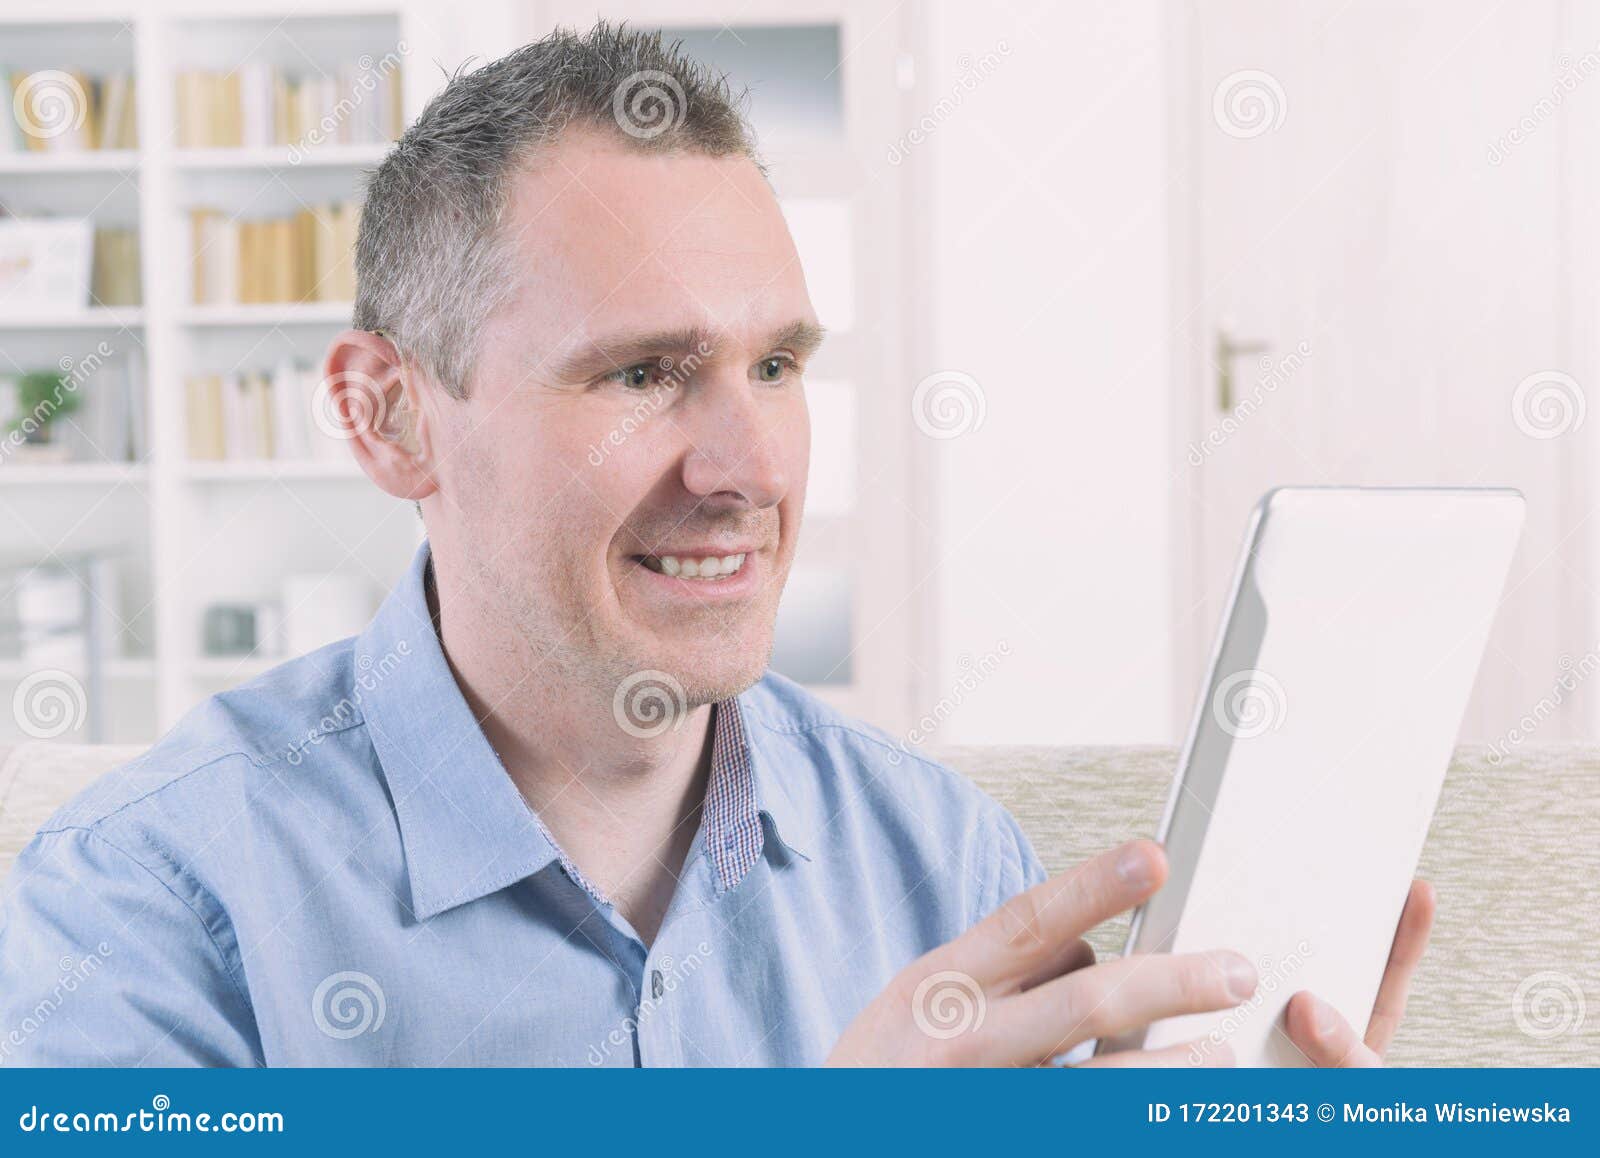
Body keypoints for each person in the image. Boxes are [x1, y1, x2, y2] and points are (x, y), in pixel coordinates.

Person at [0, 23, 1432, 1067]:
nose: (748, 467)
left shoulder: (944, 864)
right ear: (390, 419)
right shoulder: (148, 905)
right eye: (640, 374)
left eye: (777, 365)